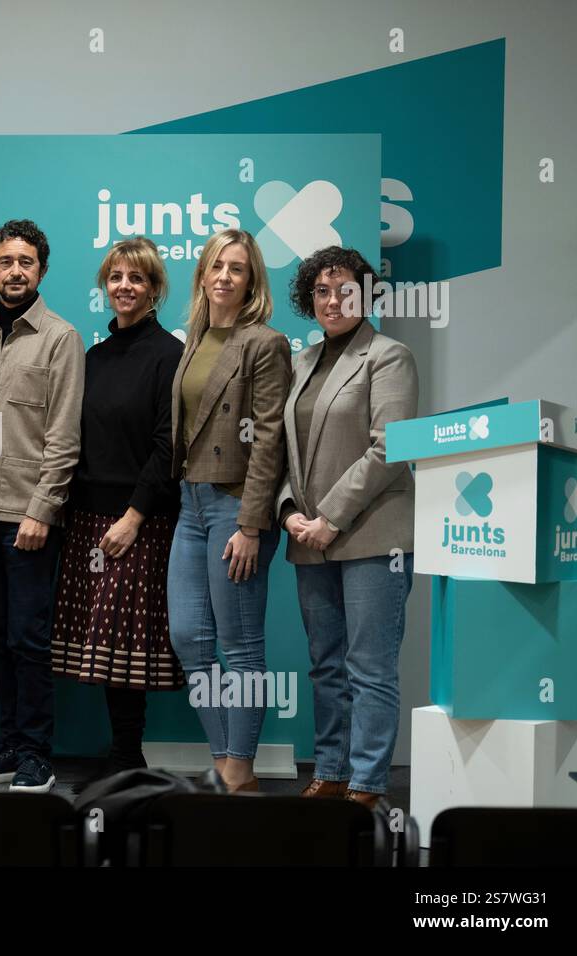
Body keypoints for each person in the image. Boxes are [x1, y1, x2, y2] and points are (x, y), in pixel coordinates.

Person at [279, 246, 418, 809]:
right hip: (309, 537)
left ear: (366, 294)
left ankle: (365, 784)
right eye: (321, 291)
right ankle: (331, 771)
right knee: (325, 664)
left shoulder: (390, 356)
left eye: (345, 290)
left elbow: (391, 450)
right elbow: (283, 449)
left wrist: (329, 519)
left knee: (369, 668)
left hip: (370, 537)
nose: (332, 300)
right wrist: (289, 511)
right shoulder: (301, 361)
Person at [49, 235, 185, 792]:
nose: (124, 287)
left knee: (128, 643)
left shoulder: (170, 355)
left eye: (137, 279)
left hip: (140, 519)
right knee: (100, 646)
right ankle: (121, 753)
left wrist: (133, 515)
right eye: (116, 278)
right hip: (86, 516)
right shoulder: (94, 356)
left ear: (154, 289)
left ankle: (129, 756)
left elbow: (167, 445)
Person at [0, 220, 84, 794]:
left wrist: (42, 510)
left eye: (26, 262)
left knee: (30, 639)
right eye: (5, 261)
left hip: (28, 518)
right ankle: (8, 746)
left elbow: (63, 436)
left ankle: (37, 753)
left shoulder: (61, 337)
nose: (15, 271)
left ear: (42, 270)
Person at [167, 228, 291, 793]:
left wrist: (250, 523)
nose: (224, 276)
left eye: (237, 268)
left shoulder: (264, 342)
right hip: (190, 503)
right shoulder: (195, 338)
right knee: (190, 639)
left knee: (240, 645)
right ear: (203, 274)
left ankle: (239, 770)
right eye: (217, 265)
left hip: (235, 504)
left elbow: (269, 440)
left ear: (251, 281)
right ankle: (225, 760)